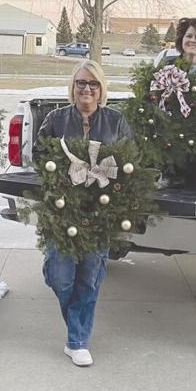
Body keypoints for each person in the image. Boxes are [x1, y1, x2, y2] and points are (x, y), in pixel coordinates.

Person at [36, 59, 133, 367]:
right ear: (72, 87)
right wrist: (63, 174)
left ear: (101, 88)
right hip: (62, 210)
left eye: (93, 84)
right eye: (81, 83)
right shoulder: (55, 118)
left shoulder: (116, 120)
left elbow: (130, 160)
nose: (86, 89)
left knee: (89, 279)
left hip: (98, 212)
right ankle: (54, 277)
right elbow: (39, 156)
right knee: (61, 278)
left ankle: (77, 340)